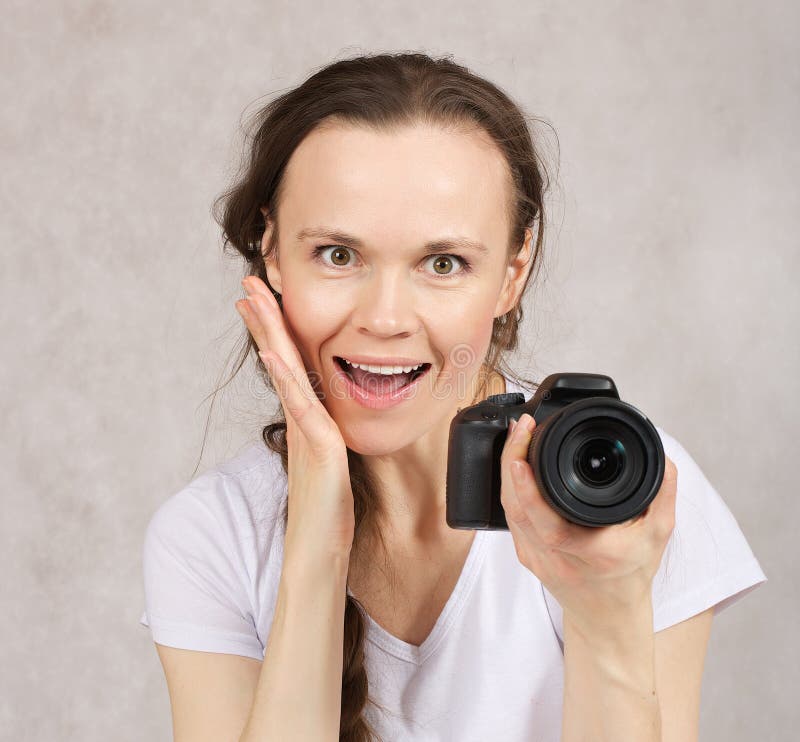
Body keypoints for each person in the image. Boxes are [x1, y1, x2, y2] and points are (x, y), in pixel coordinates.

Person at [139, 52, 768, 741]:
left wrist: (605, 614)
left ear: (510, 274)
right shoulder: (212, 535)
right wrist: (317, 537)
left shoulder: (627, 485)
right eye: (338, 255)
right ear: (273, 253)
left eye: (443, 264)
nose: (384, 318)